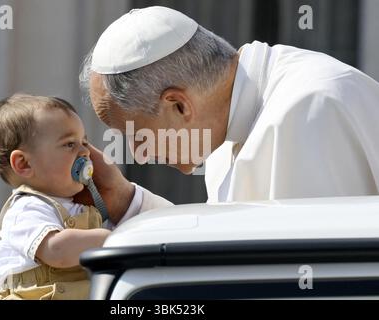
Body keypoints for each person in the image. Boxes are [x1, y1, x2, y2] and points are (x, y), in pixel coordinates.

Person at [78, 6, 379, 225]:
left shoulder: (314, 108)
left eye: (136, 134)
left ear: (179, 105)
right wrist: (126, 201)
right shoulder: (225, 125)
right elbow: (227, 247)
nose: (137, 154)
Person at [0, 94, 112, 299]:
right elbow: (57, 250)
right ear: (24, 164)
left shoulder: (84, 206)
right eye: (70, 144)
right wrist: (115, 239)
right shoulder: (26, 208)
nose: (85, 152)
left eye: (85, 142)